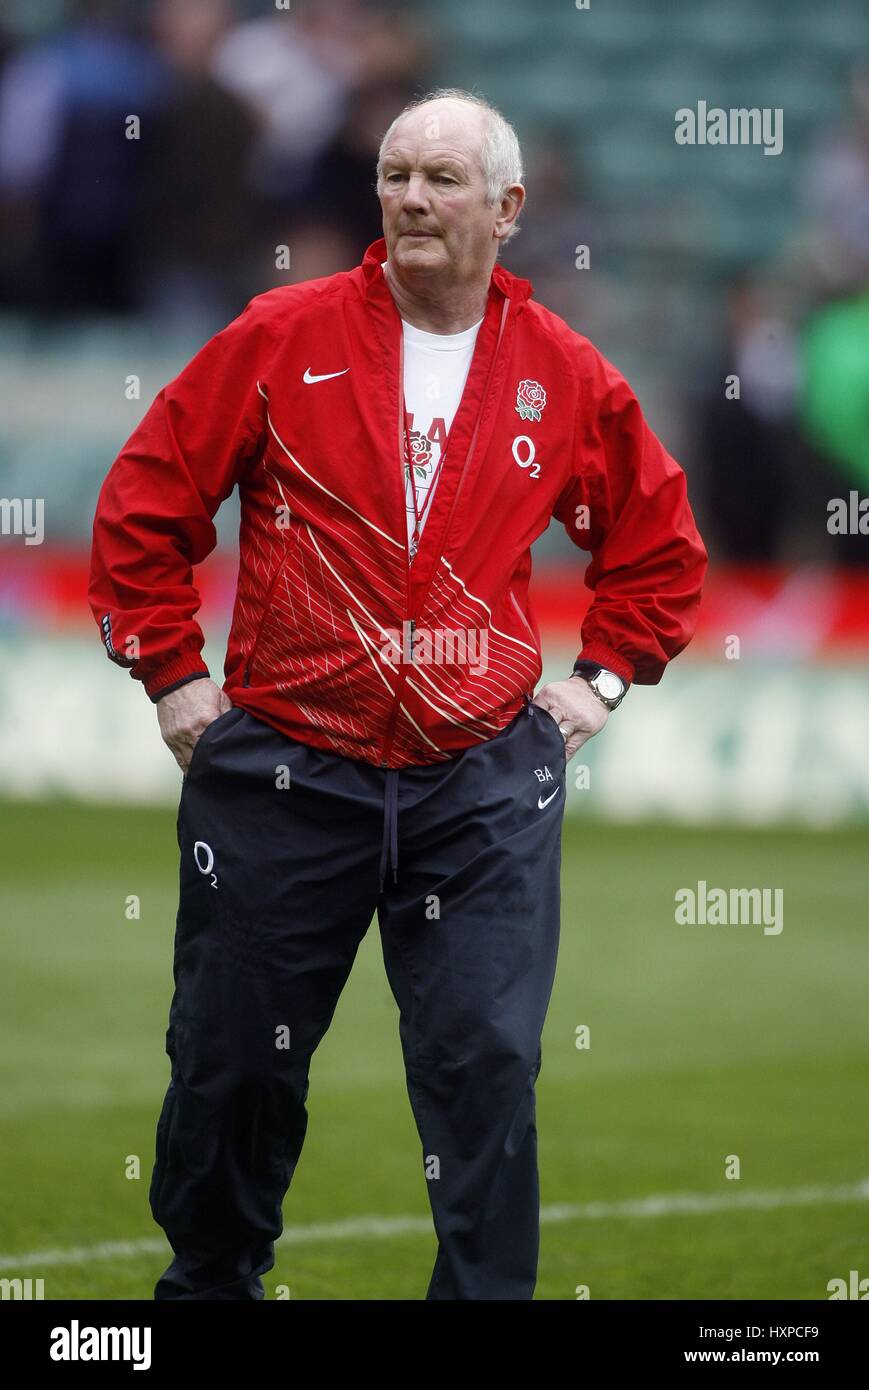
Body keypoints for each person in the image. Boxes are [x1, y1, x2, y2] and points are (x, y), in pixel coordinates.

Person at [89, 88, 707, 1301]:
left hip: (478, 782)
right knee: (230, 1068)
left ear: (508, 207)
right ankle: (209, 1284)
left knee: (484, 1061)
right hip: (282, 769)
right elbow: (146, 504)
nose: (412, 199)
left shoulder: (563, 373)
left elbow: (655, 545)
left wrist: (595, 685)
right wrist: (170, 676)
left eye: (441, 178)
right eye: (393, 175)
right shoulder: (281, 334)